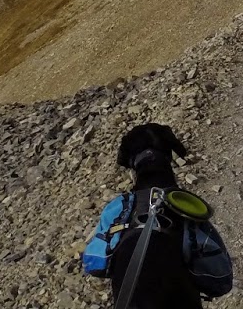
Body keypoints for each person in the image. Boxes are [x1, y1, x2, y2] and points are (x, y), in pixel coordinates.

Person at [83, 122, 207, 308]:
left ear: (132, 161)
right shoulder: (186, 205)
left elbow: (94, 264)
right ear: (169, 151)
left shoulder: (118, 208)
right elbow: (221, 284)